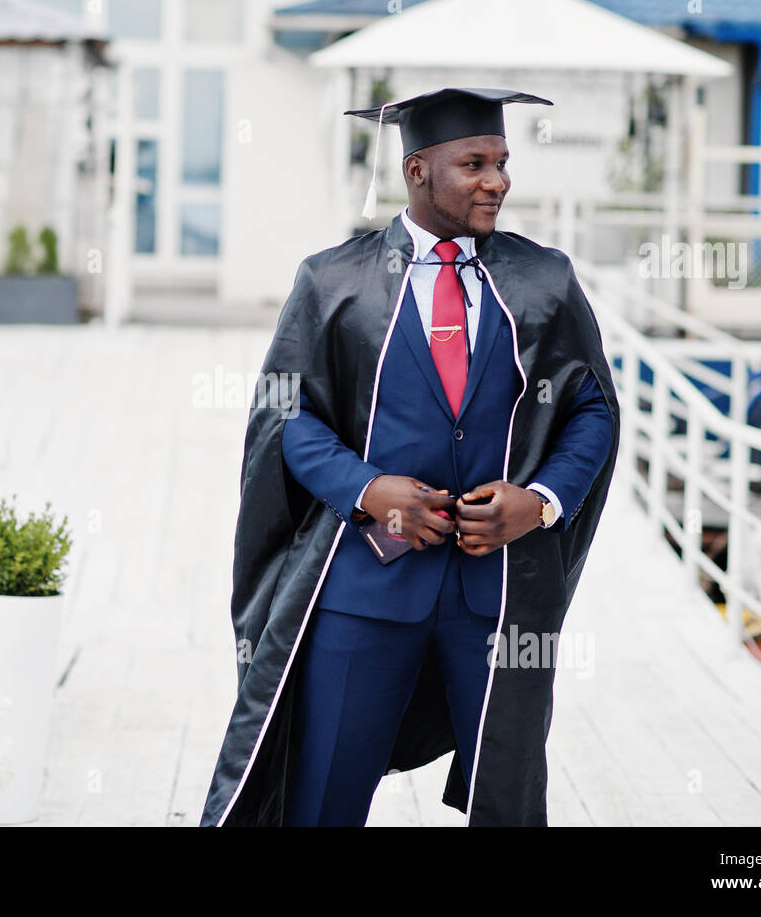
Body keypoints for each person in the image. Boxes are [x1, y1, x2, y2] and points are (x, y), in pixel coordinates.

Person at [201, 88, 620, 827]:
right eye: (474, 164)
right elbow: (288, 414)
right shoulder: (333, 279)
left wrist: (541, 500)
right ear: (418, 169)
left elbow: (593, 407)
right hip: (362, 588)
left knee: (511, 800)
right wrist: (367, 489)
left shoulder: (544, 280)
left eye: (501, 162)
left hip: (500, 599)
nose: (497, 180)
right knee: (323, 793)